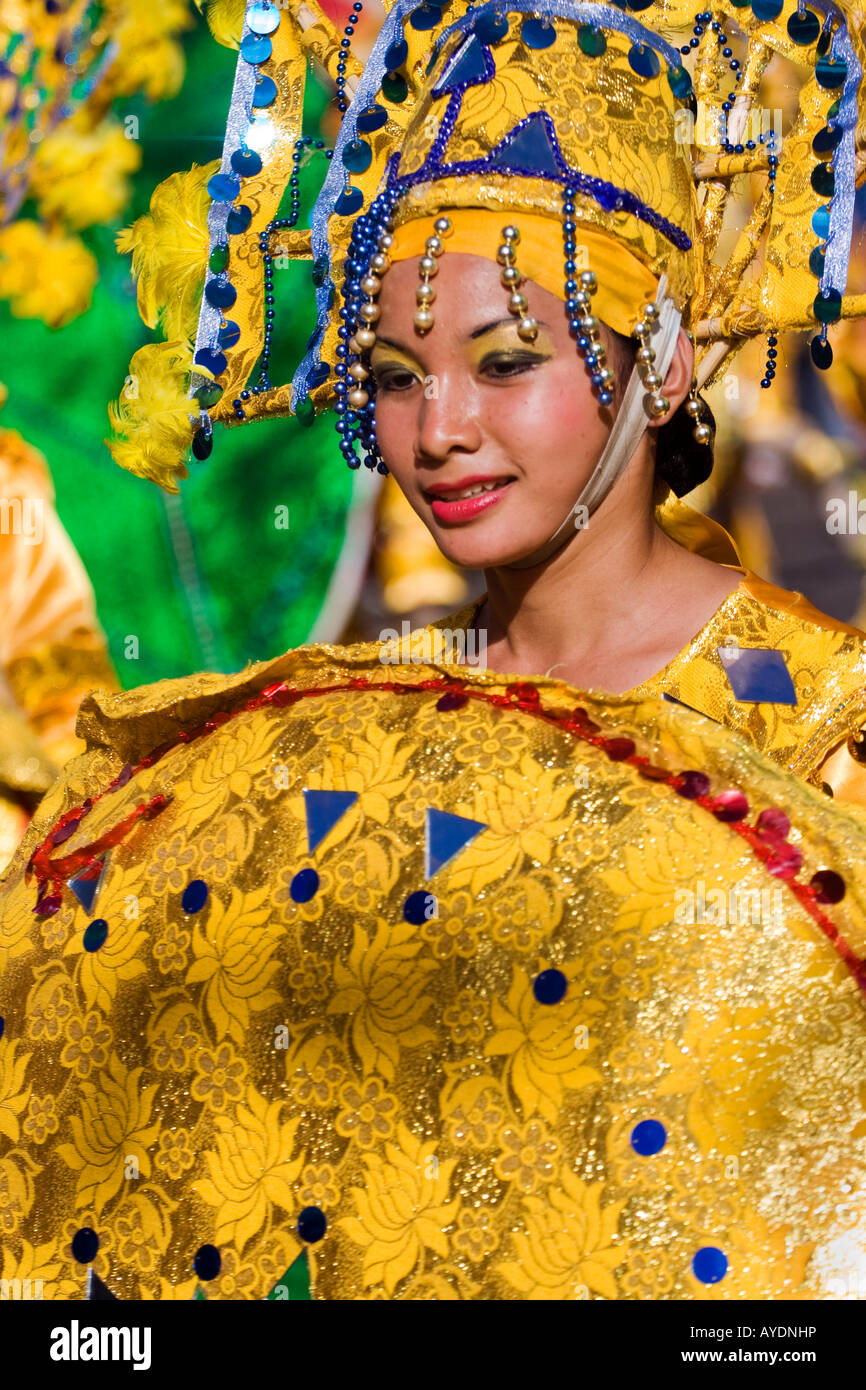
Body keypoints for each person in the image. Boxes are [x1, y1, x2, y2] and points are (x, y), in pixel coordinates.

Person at [5, 0, 866, 1302]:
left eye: (506, 359)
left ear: (668, 354)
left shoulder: (830, 731)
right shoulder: (346, 743)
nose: (439, 431)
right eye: (395, 375)